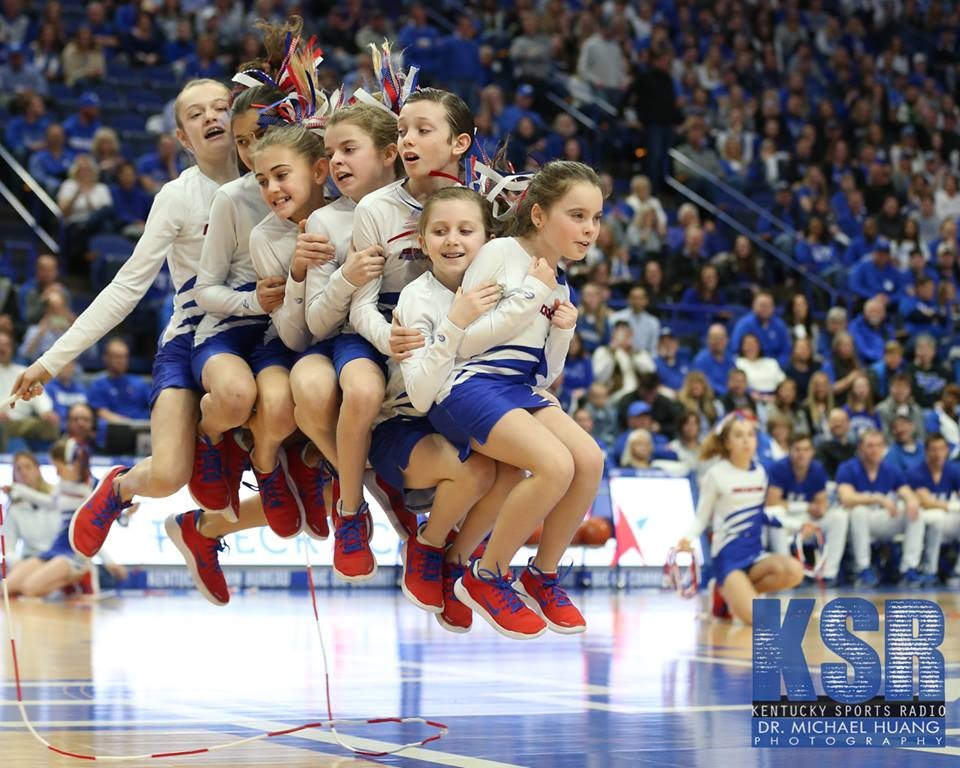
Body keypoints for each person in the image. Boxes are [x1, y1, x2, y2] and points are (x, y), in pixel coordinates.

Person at [12, 79, 240, 562]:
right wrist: (51, 361)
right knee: (168, 475)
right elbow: (125, 288)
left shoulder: (273, 177)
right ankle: (118, 487)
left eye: (221, 107)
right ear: (181, 137)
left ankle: (214, 459)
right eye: (196, 114)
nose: (211, 117)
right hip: (193, 335)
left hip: (258, 332)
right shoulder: (177, 197)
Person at [427, 161, 605, 639]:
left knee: (589, 460)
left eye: (596, 219)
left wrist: (564, 332)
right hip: (468, 382)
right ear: (540, 215)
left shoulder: (561, 283)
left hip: (520, 389)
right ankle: (486, 574)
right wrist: (533, 292)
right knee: (555, 465)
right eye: (578, 215)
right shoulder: (501, 252)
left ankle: (542, 575)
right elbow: (467, 340)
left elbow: (545, 373)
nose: (589, 229)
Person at [344, 87, 475, 581]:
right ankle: (350, 510)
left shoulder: (481, 205)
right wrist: (388, 340)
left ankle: (459, 557)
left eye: (423, 130)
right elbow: (359, 306)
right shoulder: (376, 208)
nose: (408, 141)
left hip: (450, 344)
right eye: (402, 131)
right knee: (363, 391)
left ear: (459, 143)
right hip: (383, 335)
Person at [390, 186, 523, 627]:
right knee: (480, 470)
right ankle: (427, 545)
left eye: (466, 230)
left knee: (512, 470)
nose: (453, 240)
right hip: (404, 423)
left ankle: (457, 564)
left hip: (458, 420)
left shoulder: (500, 291)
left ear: (488, 239)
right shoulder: (416, 298)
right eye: (440, 231)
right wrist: (456, 320)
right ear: (422, 240)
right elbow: (422, 394)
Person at [677, 412, 808, 625]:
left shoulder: (761, 472)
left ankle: (730, 593)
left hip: (755, 556)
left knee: (794, 571)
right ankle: (725, 587)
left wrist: (798, 526)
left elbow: (759, 514)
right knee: (759, 620)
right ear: (727, 443)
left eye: (750, 434)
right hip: (728, 560)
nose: (746, 440)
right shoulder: (716, 474)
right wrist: (686, 539)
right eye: (739, 435)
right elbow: (701, 518)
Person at [4, 438, 127, 598]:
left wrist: (109, 561)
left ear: (73, 463)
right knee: (7, 588)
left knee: (29, 589)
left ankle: (81, 576)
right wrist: (16, 488)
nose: (56, 472)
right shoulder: (61, 486)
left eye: (58, 466)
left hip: (74, 553)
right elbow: (48, 502)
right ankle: (66, 585)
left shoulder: (92, 487)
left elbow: (107, 522)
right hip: (55, 548)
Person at [836, 429, 928, 587]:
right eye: (870, 445)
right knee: (859, 511)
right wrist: (878, 497)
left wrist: (912, 501)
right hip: (855, 525)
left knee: (915, 512)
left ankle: (909, 568)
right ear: (860, 448)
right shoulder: (848, 467)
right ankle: (862, 568)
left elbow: (906, 492)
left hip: (881, 520)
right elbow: (846, 498)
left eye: (878, 445)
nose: (875, 449)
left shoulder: (890, 469)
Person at [766, 434, 848, 586]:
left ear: (812, 452)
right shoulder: (779, 468)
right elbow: (772, 501)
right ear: (790, 451)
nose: (802, 454)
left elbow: (821, 501)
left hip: (806, 518)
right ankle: (787, 574)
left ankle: (828, 573)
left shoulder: (817, 469)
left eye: (806, 449)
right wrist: (804, 506)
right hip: (787, 518)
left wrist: (820, 510)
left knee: (839, 517)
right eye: (797, 450)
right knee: (774, 514)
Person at [909, 434, 960, 588]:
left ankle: (957, 571)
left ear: (946, 450)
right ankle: (928, 569)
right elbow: (926, 502)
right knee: (936, 517)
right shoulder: (916, 471)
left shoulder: (954, 470)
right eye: (933, 449)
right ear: (926, 451)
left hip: (948, 522)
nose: (937, 454)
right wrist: (952, 506)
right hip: (924, 521)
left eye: (941, 449)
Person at [86, 338, 151, 446]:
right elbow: (101, 412)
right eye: (117, 356)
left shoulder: (139, 383)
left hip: (142, 431)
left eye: (124, 356)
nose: (121, 360)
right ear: (106, 358)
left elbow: (154, 407)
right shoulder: (98, 384)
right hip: (115, 429)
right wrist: (128, 424)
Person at [1, 451, 59, 562]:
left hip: (59, 559)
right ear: (14, 475)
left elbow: (50, 502)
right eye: (18, 469)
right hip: (31, 561)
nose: (23, 472)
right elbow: (7, 548)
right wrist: (16, 564)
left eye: (28, 467)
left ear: (37, 469)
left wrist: (16, 488)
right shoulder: (14, 509)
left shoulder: (55, 495)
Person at [730, 291, 791, 363]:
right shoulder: (744, 325)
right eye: (762, 305)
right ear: (753, 306)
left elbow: (786, 350)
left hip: (775, 366)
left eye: (768, 305)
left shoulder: (779, 324)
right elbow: (735, 350)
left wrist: (777, 365)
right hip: (751, 365)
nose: (765, 308)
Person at [692, 323, 736, 396]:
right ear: (708, 340)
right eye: (715, 338)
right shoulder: (700, 360)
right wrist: (728, 393)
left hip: (729, 398)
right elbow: (705, 384)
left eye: (721, 338)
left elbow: (736, 378)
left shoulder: (730, 358)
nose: (718, 341)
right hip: (710, 399)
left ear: (727, 340)